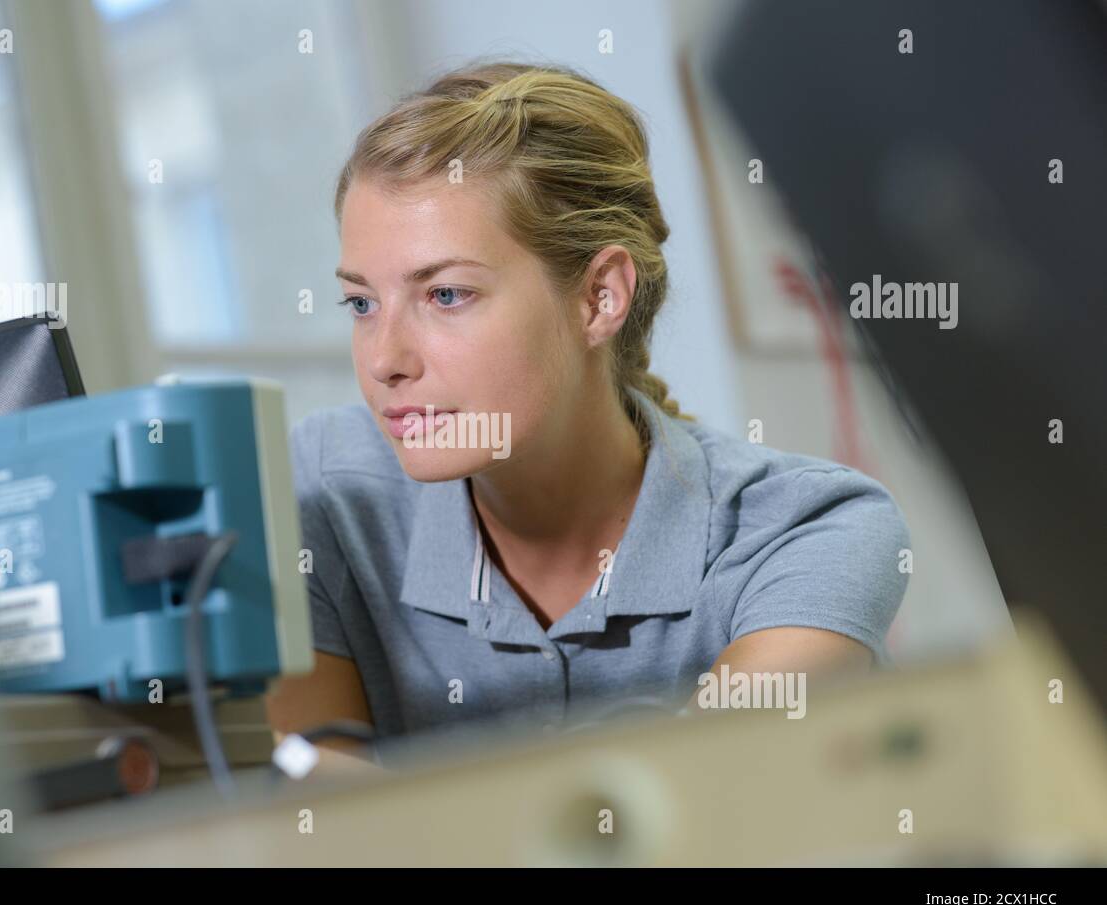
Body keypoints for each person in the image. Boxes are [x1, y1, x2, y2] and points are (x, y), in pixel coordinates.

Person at [265, 60, 909, 769]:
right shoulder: (323, 494)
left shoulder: (811, 529)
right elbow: (313, 823)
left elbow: (709, 803)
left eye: (445, 295)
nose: (385, 359)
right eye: (362, 302)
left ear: (600, 297)